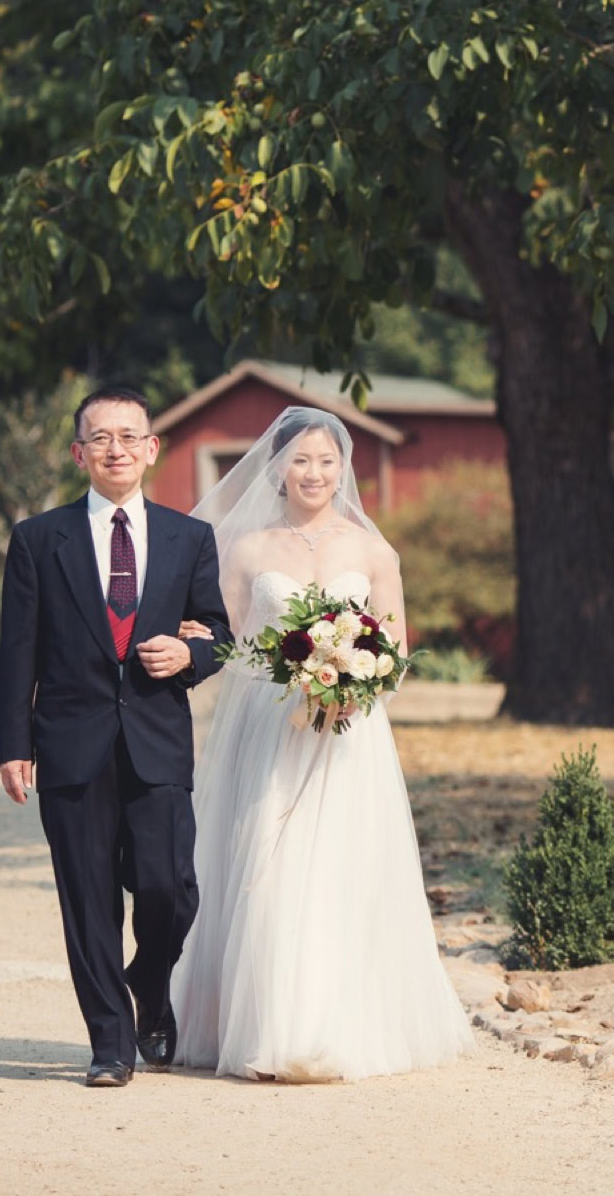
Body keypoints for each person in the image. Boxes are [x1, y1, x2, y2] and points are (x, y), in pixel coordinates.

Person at [170, 406, 473, 1081]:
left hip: (348, 733)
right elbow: (229, 640)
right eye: (301, 460)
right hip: (269, 726)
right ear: (277, 467)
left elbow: (394, 646)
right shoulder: (244, 548)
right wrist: (289, 675)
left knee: (340, 865)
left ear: (344, 468)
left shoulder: (373, 550)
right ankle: (265, 1027)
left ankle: (334, 1025)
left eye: (327, 460)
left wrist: (352, 678)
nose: (314, 472)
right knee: (267, 865)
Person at [0, 385, 233, 1087]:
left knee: (170, 887)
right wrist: (14, 744)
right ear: (79, 453)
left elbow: (219, 631)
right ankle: (109, 1042)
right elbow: (19, 650)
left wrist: (193, 655)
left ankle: (150, 984)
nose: (116, 448)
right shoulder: (39, 539)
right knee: (88, 899)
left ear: (152, 448)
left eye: (130, 435)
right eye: (100, 437)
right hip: (70, 743)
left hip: (157, 739)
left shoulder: (192, 537)